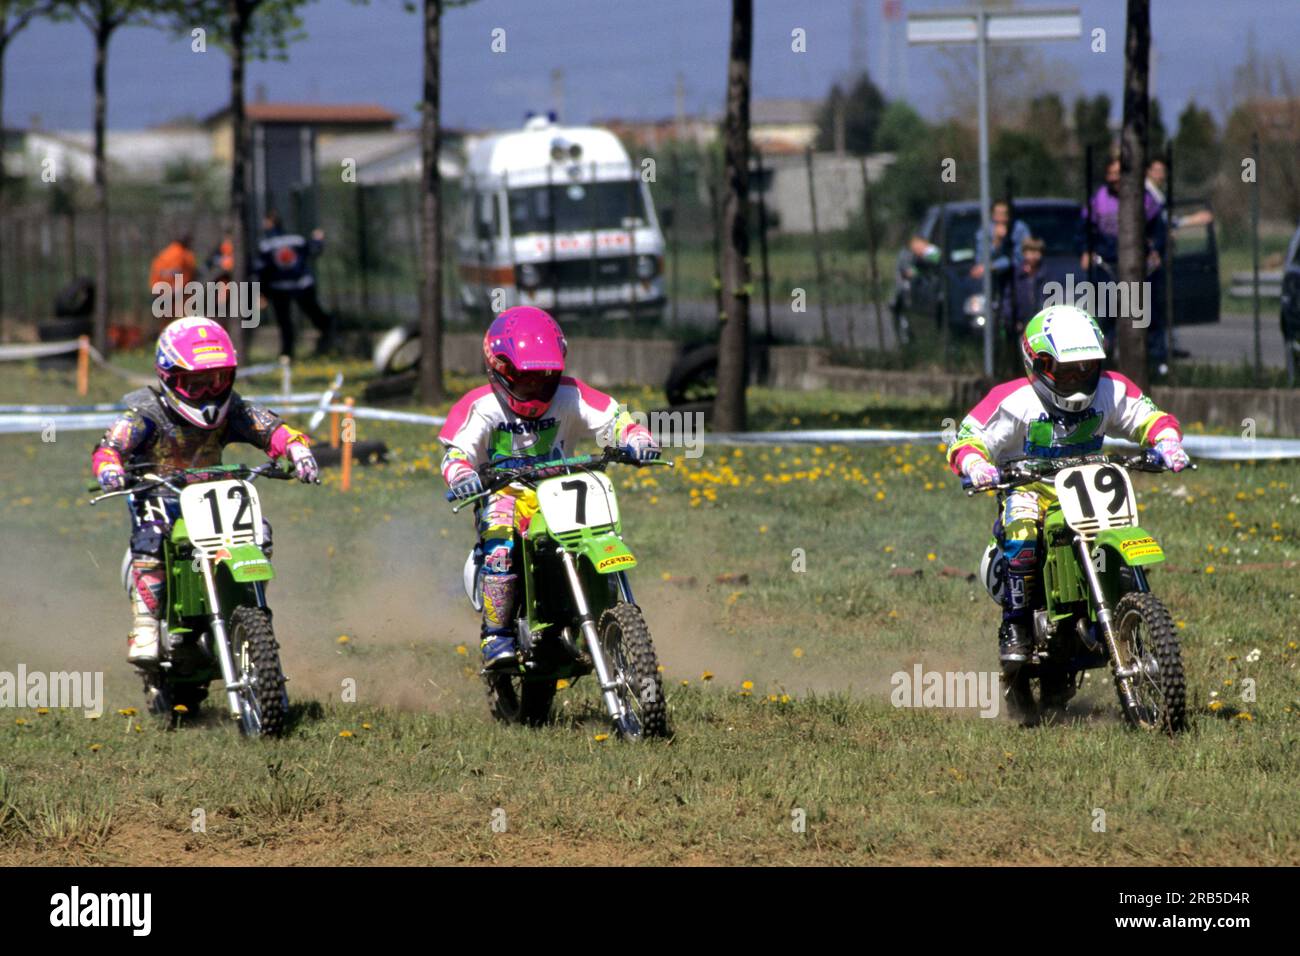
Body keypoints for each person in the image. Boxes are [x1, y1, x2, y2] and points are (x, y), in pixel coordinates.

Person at [946, 304, 1190, 671]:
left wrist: (1167, 441)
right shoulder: (1014, 400)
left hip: (1088, 486)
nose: (1077, 377)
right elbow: (968, 437)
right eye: (1065, 369)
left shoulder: (1112, 388)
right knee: (1024, 534)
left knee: (1118, 532)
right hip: (1029, 489)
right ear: (1039, 364)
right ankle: (1015, 626)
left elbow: (1149, 416)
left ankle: (1115, 607)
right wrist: (977, 464)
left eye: (1086, 367)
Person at [437, 307, 660, 669]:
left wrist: (636, 437)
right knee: (500, 541)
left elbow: (616, 418)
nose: (535, 387)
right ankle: (497, 635)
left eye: (544, 377)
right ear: (501, 370)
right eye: (525, 378)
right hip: (506, 494)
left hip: (561, 489)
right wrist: (462, 475)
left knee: (601, 527)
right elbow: (455, 453)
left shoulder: (571, 396)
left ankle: (605, 608)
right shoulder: (479, 407)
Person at [90, 316, 319, 665]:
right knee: (151, 538)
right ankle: (147, 625)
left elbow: (271, 427)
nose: (208, 393)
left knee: (260, 532)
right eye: (195, 384)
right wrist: (110, 468)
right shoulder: (145, 413)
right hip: (159, 496)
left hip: (213, 497)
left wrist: (297, 450)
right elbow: (110, 447)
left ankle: (244, 605)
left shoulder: (234, 410)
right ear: (168, 378)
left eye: (216, 381)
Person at [253, 211, 335, 360]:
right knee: (313, 313)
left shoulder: (266, 245)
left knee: (285, 322)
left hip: (280, 288)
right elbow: (314, 250)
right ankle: (328, 332)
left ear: (270, 223)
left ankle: (287, 352)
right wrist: (318, 240)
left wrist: (262, 293)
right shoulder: (296, 240)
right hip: (301, 285)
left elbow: (261, 271)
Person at [971, 200, 1031, 282]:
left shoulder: (1020, 229)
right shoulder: (985, 231)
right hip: (991, 279)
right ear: (992, 215)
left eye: (1004, 214)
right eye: (998, 214)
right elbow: (981, 260)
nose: (1001, 218)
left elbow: (1019, 258)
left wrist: (992, 266)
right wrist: (997, 241)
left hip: (1016, 276)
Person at [149, 233, 197, 322]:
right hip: (174, 292)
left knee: (165, 320)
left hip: (159, 291)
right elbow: (182, 271)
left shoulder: (165, 253)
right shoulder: (183, 254)